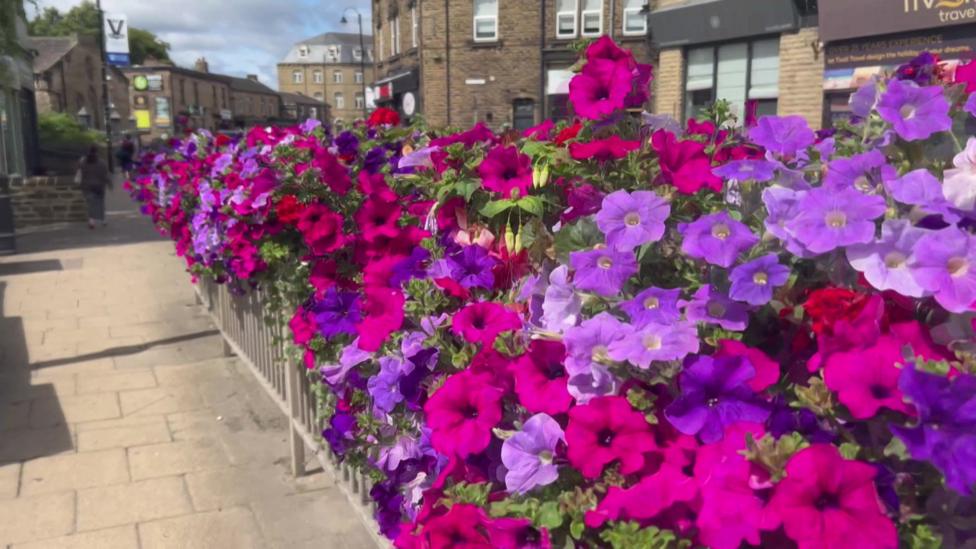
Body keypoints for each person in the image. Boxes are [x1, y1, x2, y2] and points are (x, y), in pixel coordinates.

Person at [78, 145, 112, 229]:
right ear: (97, 152)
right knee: (100, 203)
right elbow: (105, 175)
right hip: (99, 186)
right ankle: (103, 220)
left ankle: (91, 221)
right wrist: (109, 183)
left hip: (87, 186)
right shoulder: (102, 163)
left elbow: (80, 173)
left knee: (91, 204)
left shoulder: (83, 162)